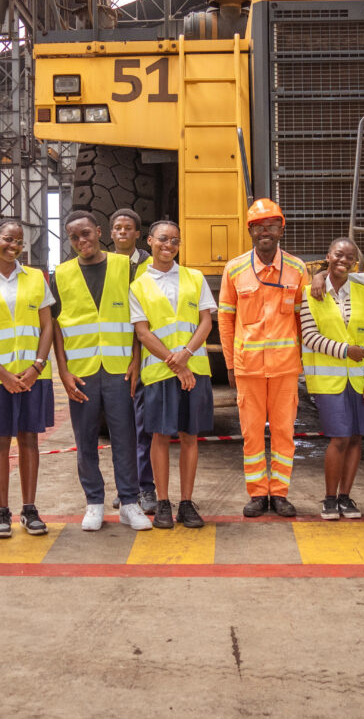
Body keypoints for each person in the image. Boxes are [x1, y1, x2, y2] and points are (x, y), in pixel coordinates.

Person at [52, 211, 153, 532]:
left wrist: (137, 360)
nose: (82, 241)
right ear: (69, 241)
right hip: (81, 372)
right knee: (85, 441)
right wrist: (63, 371)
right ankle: (94, 502)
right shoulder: (61, 274)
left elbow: (139, 317)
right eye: (74, 237)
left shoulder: (125, 268)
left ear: (98, 232)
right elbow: (54, 326)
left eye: (86, 233)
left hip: (119, 369)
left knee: (125, 438)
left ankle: (129, 502)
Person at [219, 198, 310, 518]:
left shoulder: (298, 270)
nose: (265, 232)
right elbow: (226, 320)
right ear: (250, 232)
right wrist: (230, 363)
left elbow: (304, 320)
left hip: (286, 367)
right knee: (252, 433)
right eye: (258, 227)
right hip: (248, 368)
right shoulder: (235, 269)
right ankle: (258, 493)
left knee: (285, 432)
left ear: (281, 229)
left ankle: (280, 493)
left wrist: (304, 365)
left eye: (271, 225)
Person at [0, 218, 55, 538]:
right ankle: (1, 511)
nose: (14, 245)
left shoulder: (35, 278)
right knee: (0, 442)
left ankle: (29, 509)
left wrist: (36, 367)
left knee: (29, 439)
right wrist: (3, 374)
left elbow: (47, 326)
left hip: (31, 376)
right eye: (8, 238)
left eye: (19, 241)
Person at [129, 220, 216, 529]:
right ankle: (163, 501)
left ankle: (187, 503)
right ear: (150, 240)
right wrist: (175, 362)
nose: (169, 245)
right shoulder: (138, 285)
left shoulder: (195, 277)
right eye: (163, 239)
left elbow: (205, 322)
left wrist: (186, 357)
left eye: (175, 240)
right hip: (160, 372)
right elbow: (142, 332)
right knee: (160, 436)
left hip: (195, 368)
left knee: (190, 436)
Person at [301, 237, 364, 520]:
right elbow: (309, 337)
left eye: (350, 256)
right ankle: (329, 498)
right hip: (328, 381)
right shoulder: (310, 292)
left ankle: (346, 497)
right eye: (338, 254)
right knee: (340, 438)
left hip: (359, 380)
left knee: (357, 438)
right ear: (328, 255)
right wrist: (346, 350)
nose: (344, 260)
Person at [109, 207, 157, 515]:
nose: (123, 232)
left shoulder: (152, 266)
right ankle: (127, 488)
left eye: (129, 228)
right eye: (117, 227)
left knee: (145, 427)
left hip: (145, 354)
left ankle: (147, 487)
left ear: (138, 234)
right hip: (115, 356)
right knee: (121, 429)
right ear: (110, 233)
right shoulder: (104, 265)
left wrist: (138, 358)